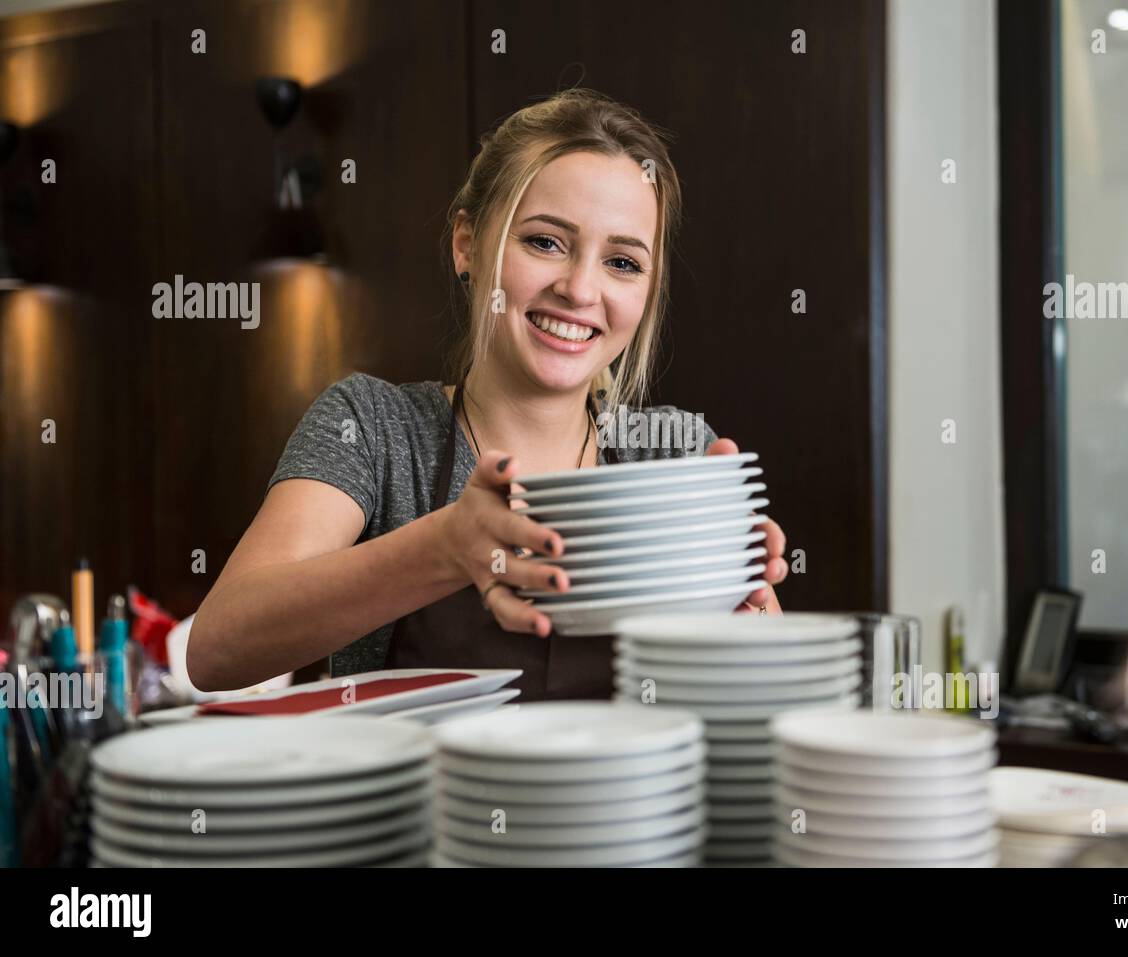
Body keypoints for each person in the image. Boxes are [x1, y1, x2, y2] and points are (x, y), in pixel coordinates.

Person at [187, 89, 787, 699]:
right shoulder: (372, 429)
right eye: (545, 242)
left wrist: (752, 629)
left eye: (623, 263)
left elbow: (766, 693)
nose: (581, 290)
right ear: (467, 245)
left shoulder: (678, 456)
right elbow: (216, 650)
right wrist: (444, 548)